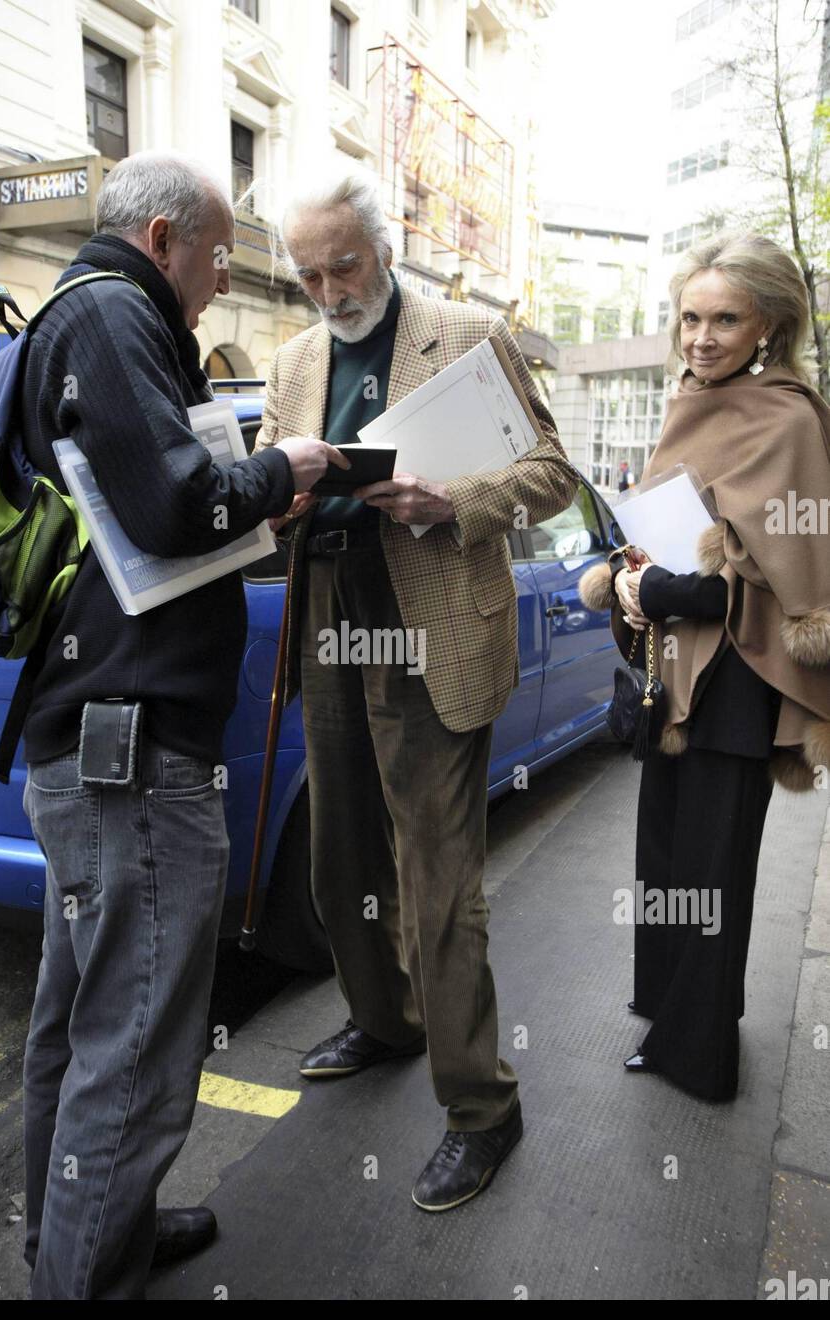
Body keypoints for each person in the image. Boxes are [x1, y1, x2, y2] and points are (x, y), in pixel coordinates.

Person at [20, 150, 345, 1298]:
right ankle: (76, 1293)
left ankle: (91, 1232)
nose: (217, 281)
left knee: (79, 1028)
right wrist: (281, 468)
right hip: (131, 754)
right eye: (213, 255)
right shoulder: (115, 310)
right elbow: (175, 505)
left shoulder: (73, 315)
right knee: (138, 1050)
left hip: (93, 741)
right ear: (163, 238)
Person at [257, 166, 582, 1211]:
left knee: (440, 884)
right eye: (308, 274)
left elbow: (552, 470)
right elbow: (268, 480)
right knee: (338, 852)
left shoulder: (467, 331)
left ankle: (482, 1107)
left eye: (343, 265)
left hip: (433, 620)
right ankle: (384, 1019)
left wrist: (454, 499)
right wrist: (273, 506)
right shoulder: (293, 358)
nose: (328, 289)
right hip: (331, 616)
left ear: (382, 244)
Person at [580, 233, 830, 1101]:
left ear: (768, 321)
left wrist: (678, 588)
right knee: (663, 861)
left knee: (712, 869)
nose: (701, 337)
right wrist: (625, 574)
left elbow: (793, 579)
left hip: (737, 687)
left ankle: (703, 1058)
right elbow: (656, 529)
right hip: (671, 675)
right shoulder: (685, 401)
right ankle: (667, 1016)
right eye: (690, 317)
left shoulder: (790, 417)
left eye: (725, 318)